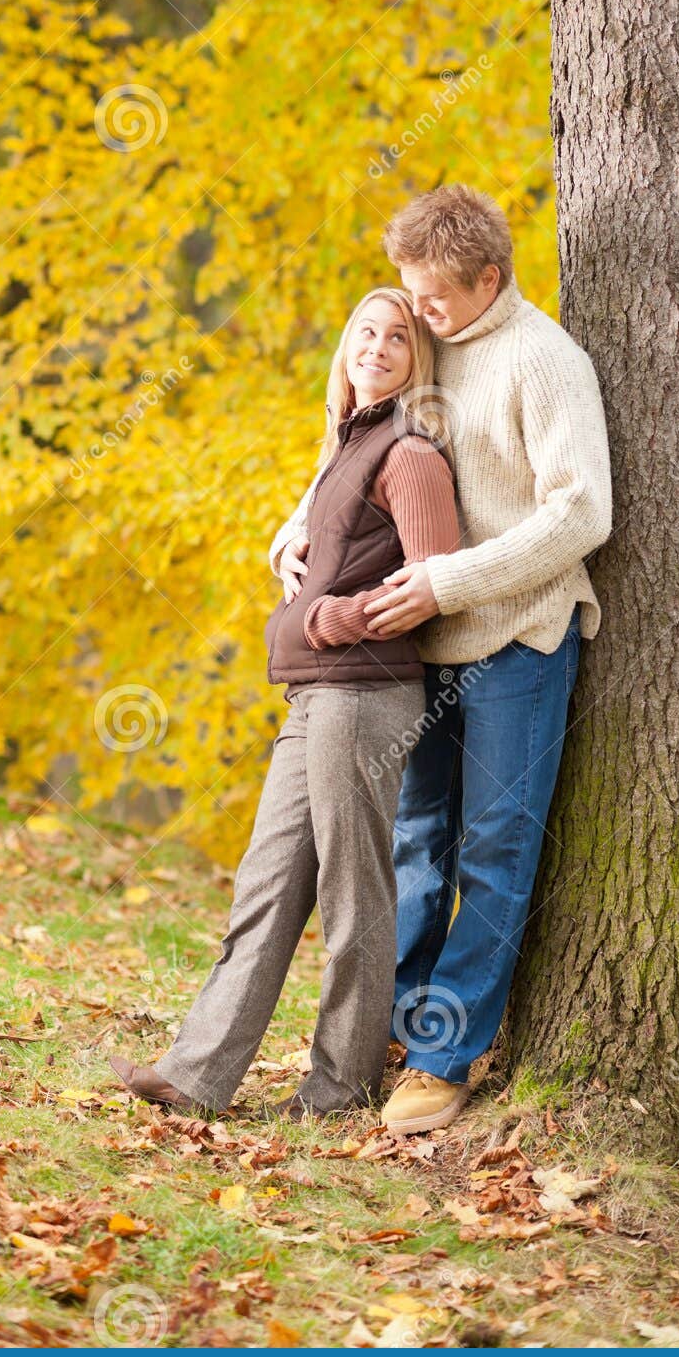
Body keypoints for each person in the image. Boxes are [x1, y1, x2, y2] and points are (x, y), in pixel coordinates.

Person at [270, 186, 612, 1133]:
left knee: (493, 853)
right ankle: (391, 1018)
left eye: (431, 298)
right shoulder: (430, 352)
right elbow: (356, 450)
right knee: (415, 840)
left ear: (488, 280)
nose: (412, 313)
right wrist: (290, 539)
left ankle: (445, 1051)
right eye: (409, 296)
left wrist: (450, 582)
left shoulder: (543, 361)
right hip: (417, 648)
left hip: (518, 641)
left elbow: (582, 511)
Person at [109, 286, 460, 1120]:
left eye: (398, 339)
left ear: (419, 362)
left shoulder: (408, 452)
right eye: (364, 332)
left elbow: (436, 578)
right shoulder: (350, 440)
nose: (376, 347)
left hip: (364, 696)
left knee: (353, 896)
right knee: (266, 888)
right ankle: (196, 1075)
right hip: (316, 695)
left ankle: (340, 1088)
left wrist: (331, 616)